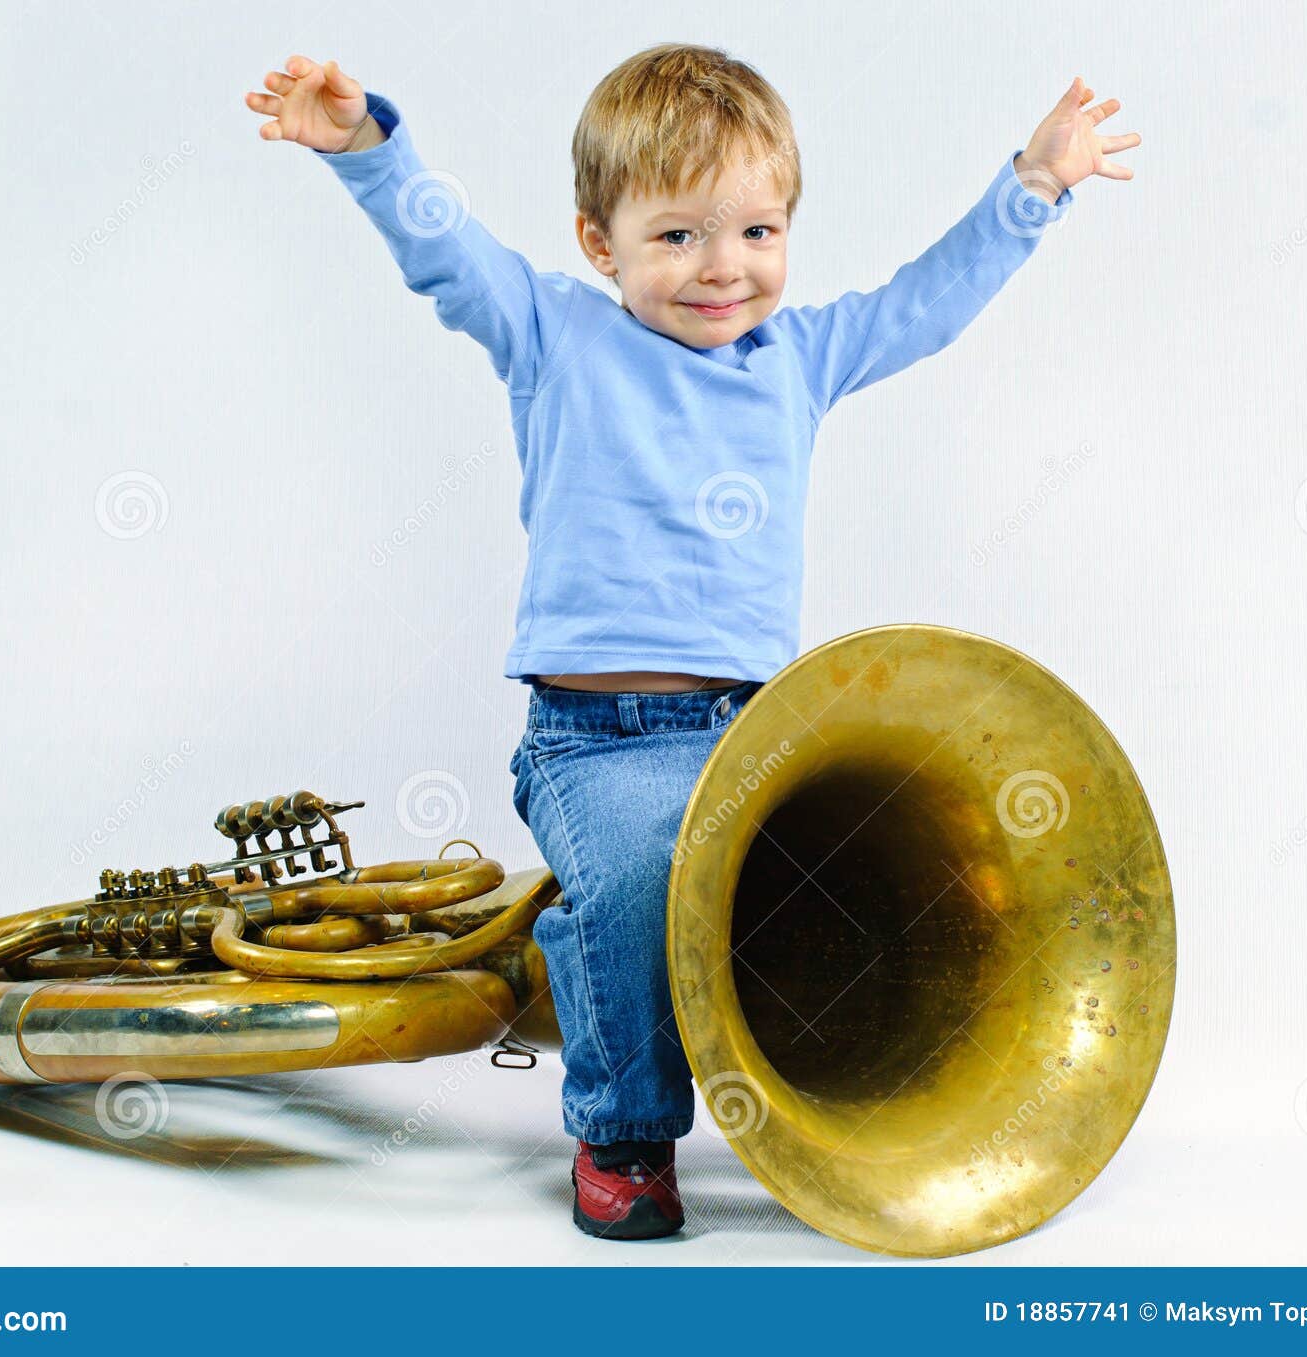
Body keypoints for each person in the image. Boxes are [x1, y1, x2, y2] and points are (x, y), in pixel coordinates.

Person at [244, 42, 1138, 1240]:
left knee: (887, 891)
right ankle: (623, 1132)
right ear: (598, 243)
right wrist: (363, 146)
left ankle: (862, 1104)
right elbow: (445, 254)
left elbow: (926, 303)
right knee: (631, 887)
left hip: (752, 742)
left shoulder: (800, 359)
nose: (723, 268)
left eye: (757, 232)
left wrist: (1035, 183)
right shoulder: (553, 333)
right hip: (595, 743)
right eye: (676, 237)